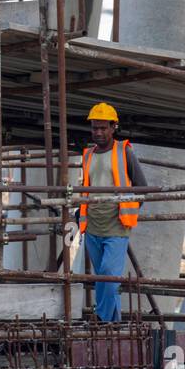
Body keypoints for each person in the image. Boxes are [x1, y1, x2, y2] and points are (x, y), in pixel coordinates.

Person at [77, 102, 144, 322]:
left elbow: (141, 186)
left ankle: (102, 317)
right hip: (93, 224)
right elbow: (88, 185)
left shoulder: (124, 151)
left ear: (113, 127)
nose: (98, 132)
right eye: (95, 127)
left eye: (103, 128)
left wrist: (128, 209)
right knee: (106, 279)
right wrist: (79, 212)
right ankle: (113, 324)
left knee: (107, 272)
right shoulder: (87, 155)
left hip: (117, 224)